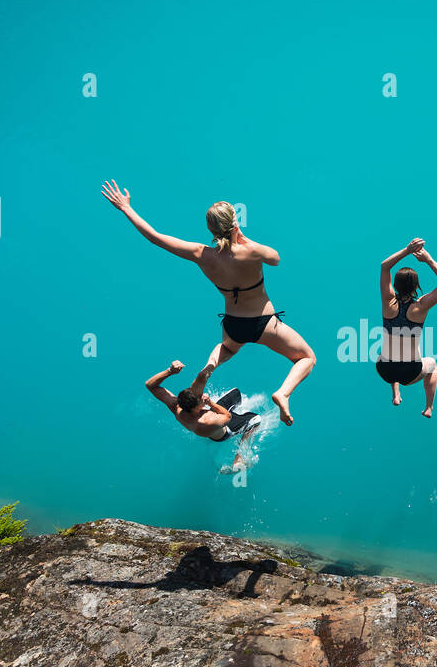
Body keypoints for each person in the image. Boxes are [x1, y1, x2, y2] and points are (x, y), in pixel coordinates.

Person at [102, 181, 315, 425]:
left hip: (233, 325)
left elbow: (156, 238)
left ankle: (211, 364)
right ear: (235, 223)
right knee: (306, 357)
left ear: (211, 230)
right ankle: (283, 393)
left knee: (228, 348)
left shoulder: (201, 255)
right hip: (264, 324)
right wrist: (244, 239)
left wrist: (126, 208)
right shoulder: (251, 251)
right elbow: (276, 258)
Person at [377, 238, 437, 417]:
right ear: (416, 286)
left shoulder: (388, 301)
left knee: (394, 350)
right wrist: (429, 260)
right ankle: (428, 408)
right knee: (432, 364)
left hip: (384, 369)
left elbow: (384, 266)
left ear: (394, 285)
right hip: (409, 373)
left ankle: (396, 394)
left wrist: (407, 250)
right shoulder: (420, 306)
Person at [145, 360, 259, 469]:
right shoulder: (207, 420)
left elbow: (150, 385)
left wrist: (170, 371)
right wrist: (210, 403)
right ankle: (239, 458)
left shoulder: (177, 407)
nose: (202, 396)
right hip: (225, 431)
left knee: (236, 393)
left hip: (210, 425)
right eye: (200, 400)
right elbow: (227, 416)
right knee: (255, 420)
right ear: (196, 408)